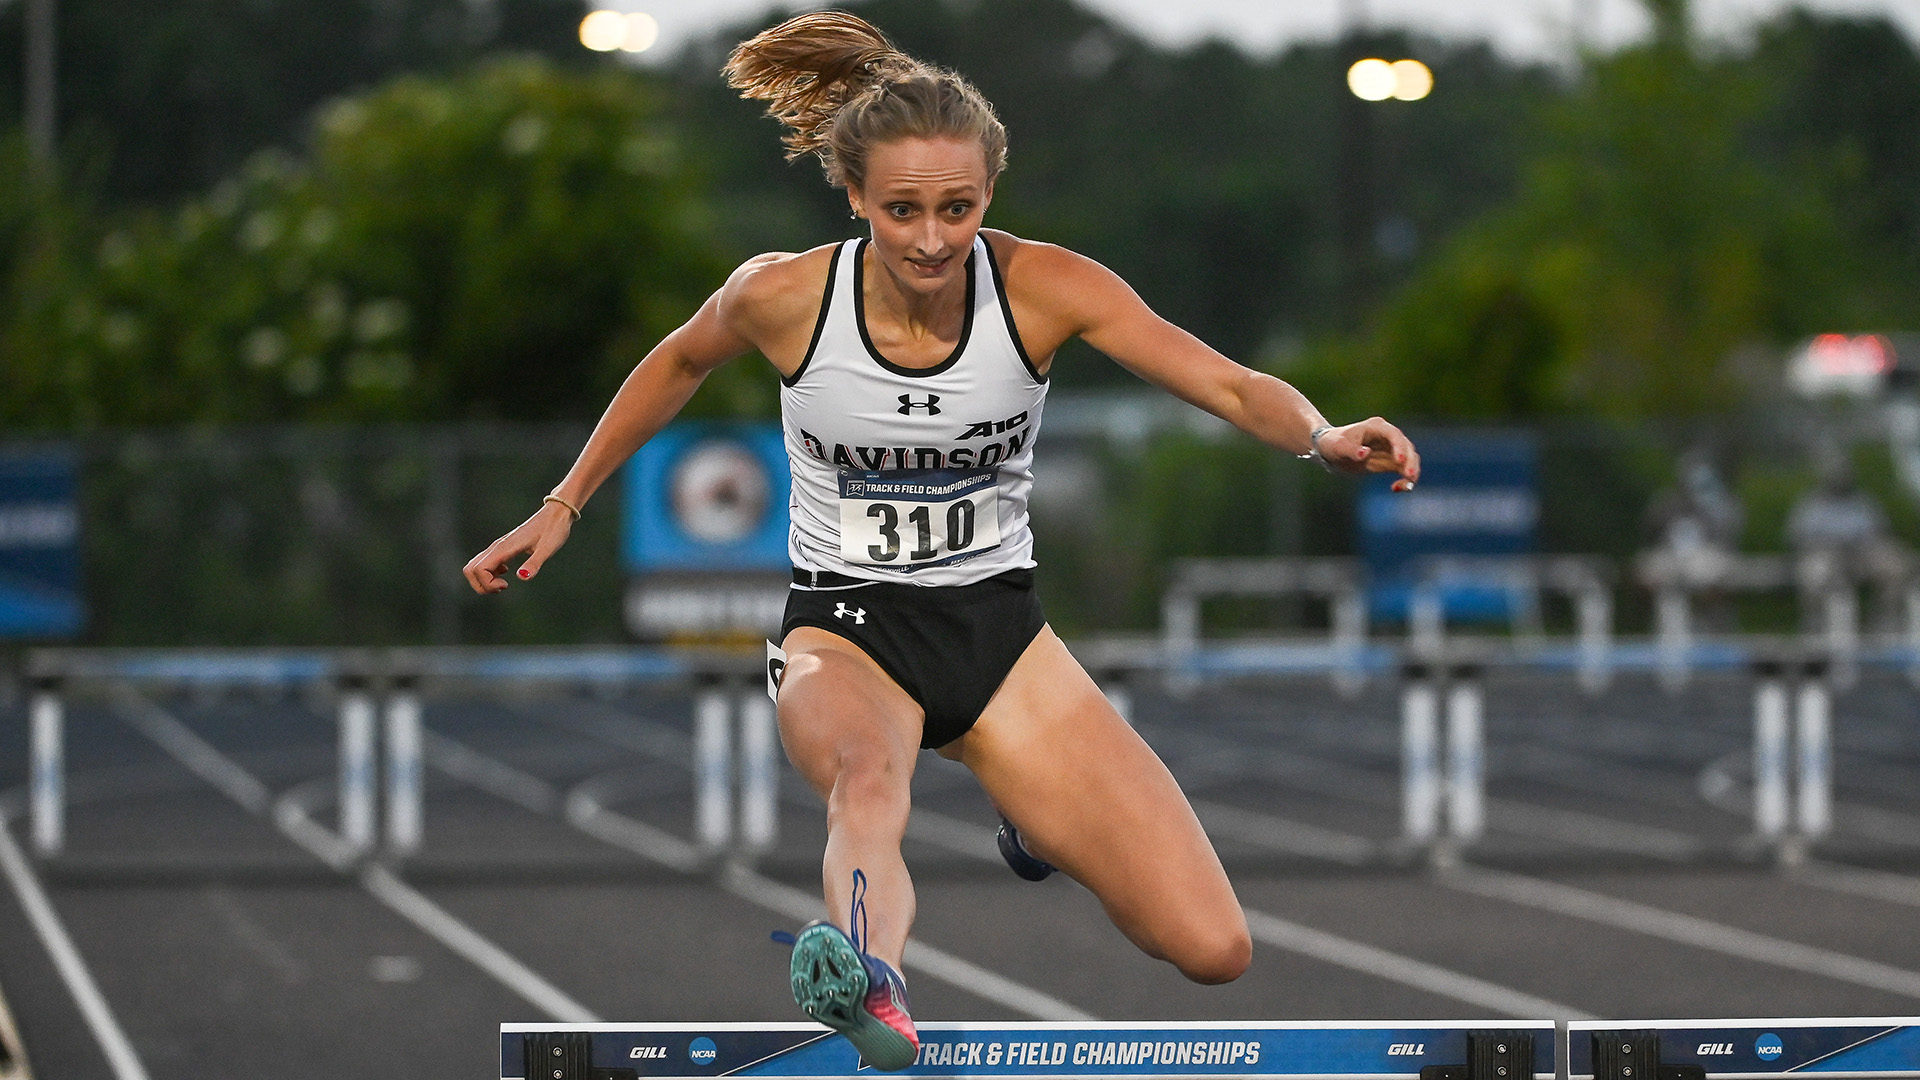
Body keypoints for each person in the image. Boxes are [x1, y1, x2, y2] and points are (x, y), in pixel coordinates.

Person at [464, 11, 1420, 1071]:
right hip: (846, 631)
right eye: (902, 211)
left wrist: (1322, 434)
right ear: (854, 196)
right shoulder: (785, 297)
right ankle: (872, 980)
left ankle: (1030, 820)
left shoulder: (1046, 289)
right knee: (868, 781)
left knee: (1212, 948)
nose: (930, 240)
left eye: (957, 210)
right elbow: (679, 362)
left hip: (1002, 637)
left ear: (990, 194)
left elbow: (1229, 384)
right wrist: (564, 503)